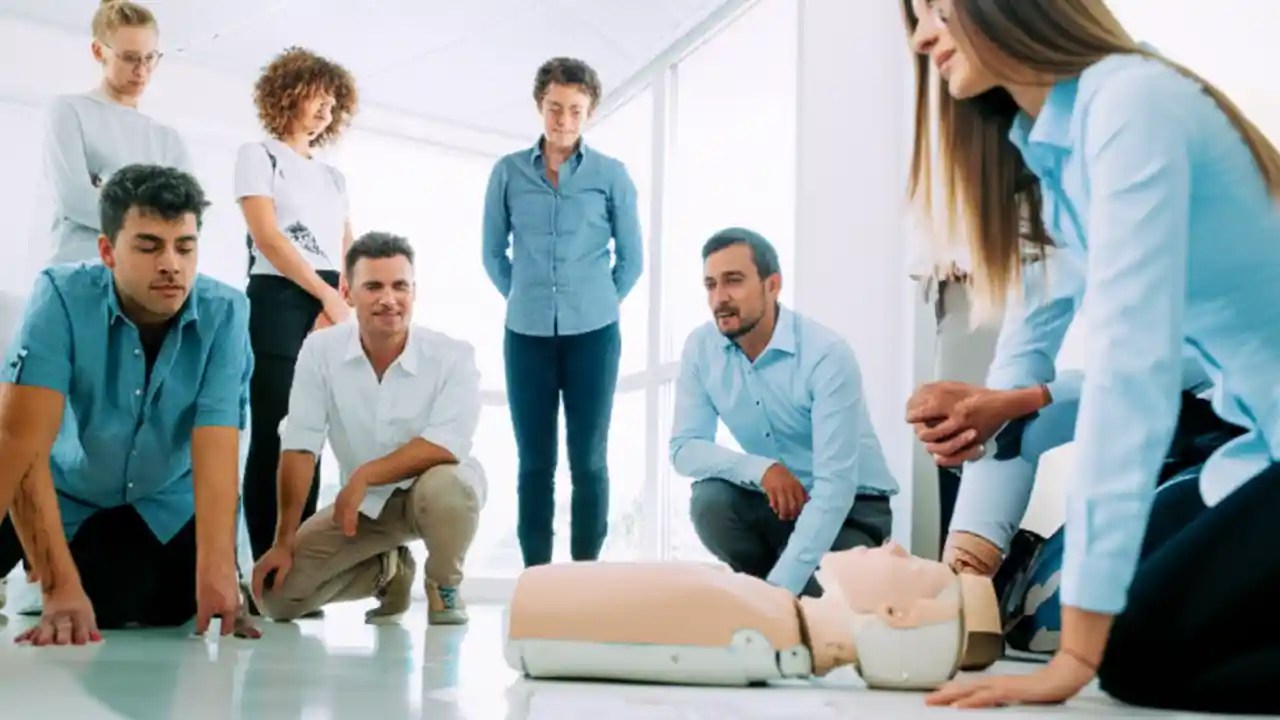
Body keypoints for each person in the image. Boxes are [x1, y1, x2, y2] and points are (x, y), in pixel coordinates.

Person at [904, 0, 1280, 713]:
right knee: (1137, 633)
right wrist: (963, 573)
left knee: (1127, 655)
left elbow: (1133, 372)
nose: (923, 37)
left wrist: (1075, 656)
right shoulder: (1050, 166)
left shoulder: (1132, 104)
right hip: (1254, 452)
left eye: (938, 10)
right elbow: (1017, 372)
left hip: (1226, 438)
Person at [0, 164, 257, 644]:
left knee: (141, 606)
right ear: (107, 251)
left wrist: (222, 571)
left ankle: (64, 569)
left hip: (157, 502)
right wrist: (59, 587)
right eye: (148, 245)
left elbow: (219, 442)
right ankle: (44, 566)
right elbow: (20, 441)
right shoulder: (59, 295)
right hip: (66, 486)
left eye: (184, 246)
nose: (171, 264)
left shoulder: (227, 312)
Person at [251, 232, 484, 625]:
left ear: (414, 291)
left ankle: (443, 586)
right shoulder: (319, 351)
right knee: (276, 598)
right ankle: (388, 571)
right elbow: (300, 445)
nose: (388, 299)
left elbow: (447, 444)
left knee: (447, 487)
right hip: (365, 507)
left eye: (400, 286)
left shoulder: (452, 355)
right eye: (373, 286)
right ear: (347, 291)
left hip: (436, 496)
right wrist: (283, 540)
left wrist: (365, 475)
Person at [669, 228, 898, 598]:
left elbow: (835, 487)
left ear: (772, 285)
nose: (719, 298)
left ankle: (776, 591)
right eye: (710, 285)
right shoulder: (701, 348)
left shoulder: (826, 354)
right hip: (778, 504)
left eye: (734, 281)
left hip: (851, 509)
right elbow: (685, 448)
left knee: (814, 600)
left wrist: (781, 588)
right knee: (710, 501)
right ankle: (766, 589)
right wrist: (762, 470)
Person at [482, 57, 643, 567]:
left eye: (575, 110)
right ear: (539, 106)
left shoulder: (610, 175)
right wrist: (525, 294)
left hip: (594, 334)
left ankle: (584, 578)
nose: (564, 120)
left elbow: (632, 259)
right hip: (525, 333)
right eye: (555, 108)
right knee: (534, 463)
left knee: (589, 460)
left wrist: (595, 300)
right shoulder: (507, 172)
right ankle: (537, 578)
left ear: (589, 112)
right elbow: (492, 253)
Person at [236, 46, 358, 569]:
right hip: (278, 295)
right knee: (275, 430)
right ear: (288, 93)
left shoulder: (334, 177)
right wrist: (322, 293)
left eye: (334, 103)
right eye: (318, 97)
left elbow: (347, 249)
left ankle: (298, 564)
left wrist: (339, 297)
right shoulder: (258, 155)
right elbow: (267, 236)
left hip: (331, 301)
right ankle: (265, 563)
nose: (326, 110)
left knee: (311, 433)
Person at [39, 0, 192, 266]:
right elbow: (75, 200)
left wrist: (108, 193)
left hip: (143, 287)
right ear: (99, 51)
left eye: (150, 58)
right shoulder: (69, 110)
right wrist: (151, 216)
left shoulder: (168, 139)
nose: (141, 70)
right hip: (80, 273)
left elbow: (183, 216)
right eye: (130, 58)